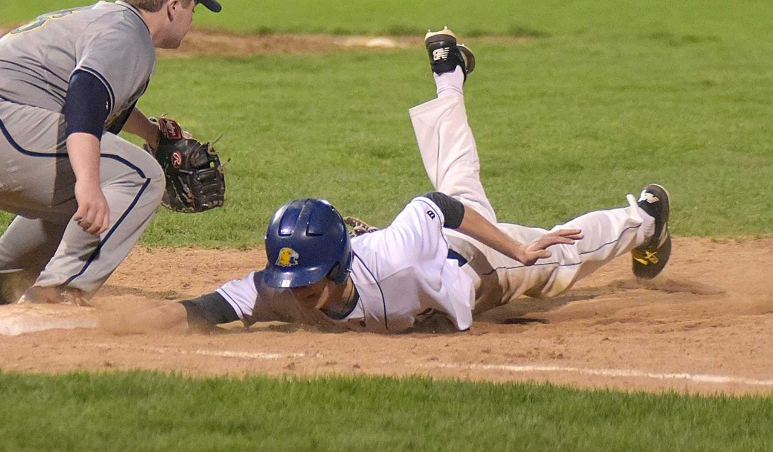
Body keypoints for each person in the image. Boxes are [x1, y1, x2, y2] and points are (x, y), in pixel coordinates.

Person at [134, 27, 672, 333]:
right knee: (458, 170)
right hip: (435, 247)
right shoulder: (284, 282)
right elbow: (208, 307)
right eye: (292, 282)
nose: (296, 294)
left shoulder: (397, 254)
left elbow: (437, 207)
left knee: (556, 262)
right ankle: (449, 75)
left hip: (469, 261)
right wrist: (135, 325)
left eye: (307, 282)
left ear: (340, 265)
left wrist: (517, 248)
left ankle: (645, 220)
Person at [0, 0, 221, 312]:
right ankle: (57, 295)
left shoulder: (107, 21)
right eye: (193, 7)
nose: (192, 18)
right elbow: (85, 101)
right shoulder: (127, 35)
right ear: (174, 6)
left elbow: (97, 101)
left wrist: (153, 134)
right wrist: (88, 182)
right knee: (139, 176)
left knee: (83, 196)